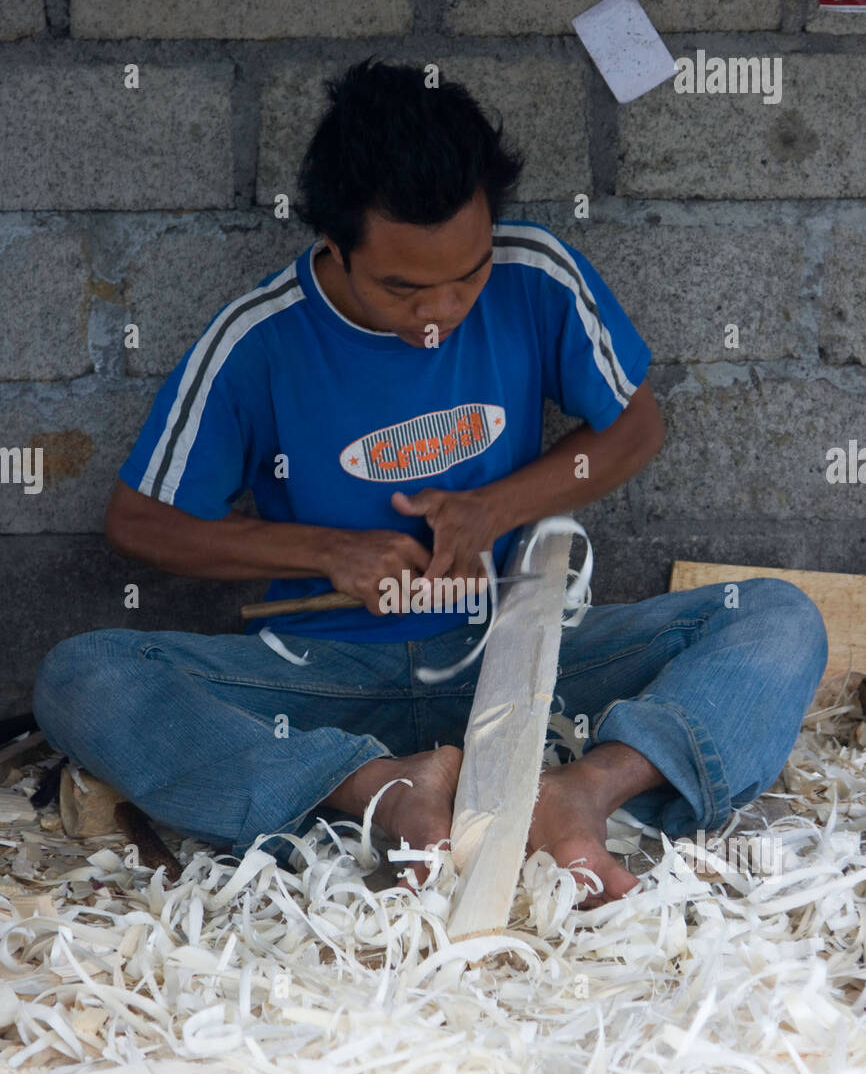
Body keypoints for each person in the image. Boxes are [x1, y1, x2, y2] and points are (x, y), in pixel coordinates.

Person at [33, 58, 827, 909]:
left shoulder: (535, 276)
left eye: (468, 274)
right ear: (334, 246)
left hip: (520, 664)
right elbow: (139, 523)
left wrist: (493, 509)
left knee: (778, 619)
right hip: (323, 681)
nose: (441, 312)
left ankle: (578, 793)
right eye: (403, 288)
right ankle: (383, 790)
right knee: (84, 674)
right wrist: (328, 551)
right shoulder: (256, 340)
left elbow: (636, 428)